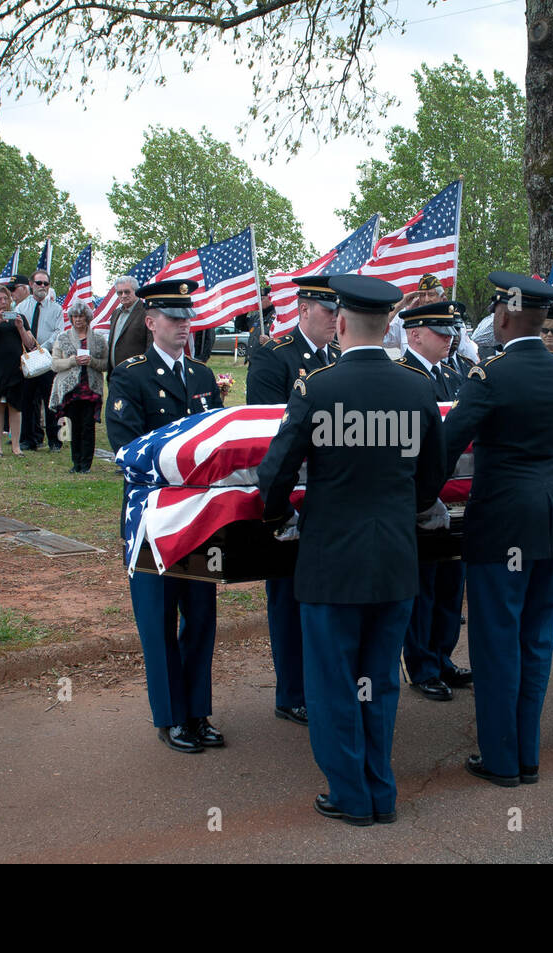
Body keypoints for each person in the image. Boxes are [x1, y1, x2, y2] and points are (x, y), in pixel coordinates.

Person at [258, 274, 445, 826]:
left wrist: (281, 517)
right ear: (390, 325)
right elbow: (431, 479)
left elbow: (276, 474)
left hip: (330, 559)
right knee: (381, 678)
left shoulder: (316, 387)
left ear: (339, 325)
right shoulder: (417, 390)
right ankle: (379, 790)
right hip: (393, 557)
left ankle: (349, 794)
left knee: (333, 678)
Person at [441, 271, 553, 787]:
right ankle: (527, 754)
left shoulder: (490, 375)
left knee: (497, 640)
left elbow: (447, 445)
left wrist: (418, 501)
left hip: (502, 524)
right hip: (551, 520)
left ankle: (502, 760)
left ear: (502, 315)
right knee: (536, 638)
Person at [107, 279, 224, 755]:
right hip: (154, 517)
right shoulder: (130, 376)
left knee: (201, 617)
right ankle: (171, 716)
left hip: (199, 516)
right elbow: (125, 447)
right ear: (150, 322)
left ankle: (198, 710)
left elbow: (217, 441)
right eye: (173, 318)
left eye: (187, 317)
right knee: (158, 619)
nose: (183, 325)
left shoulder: (200, 376)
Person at [245, 274, 342, 727]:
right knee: (288, 594)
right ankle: (293, 692)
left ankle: (323, 683)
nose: (334, 319)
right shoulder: (275, 357)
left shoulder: (338, 358)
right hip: (292, 494)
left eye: (338, 311)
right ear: (303, 311)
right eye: (327, 311)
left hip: (331, 493)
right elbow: (268, 433)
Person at [396, 300, 471, 701]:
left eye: (451, 332)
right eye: (441, 333)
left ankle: (442, 655)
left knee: (449, 582)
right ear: (415, 334)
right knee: (422, 585)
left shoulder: (455, 376)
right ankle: (422, 664)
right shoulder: (403, 377)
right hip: (416, 498)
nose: (450, 339)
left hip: (453, 495)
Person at [49, 299, 109, 473]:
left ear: (87, 318)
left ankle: (86, 465)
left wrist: (92, 362)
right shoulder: (63, 338)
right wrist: (72, 361)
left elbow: (105, 364)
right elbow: (54, 364)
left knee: (88, 428)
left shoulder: (98, 339)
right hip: (70, 391)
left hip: (91, 390)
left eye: (81, 316)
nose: (78, 320)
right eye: (74, 316)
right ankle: (76, 463)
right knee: (72, 427)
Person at [0, 285, 34, 457]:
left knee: (15, 407)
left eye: (6, 299)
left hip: (16, 369)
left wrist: (20, 327)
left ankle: (16, 446)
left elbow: (30, 344)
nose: (3, 302)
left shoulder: (20, 317)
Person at [14, 270, 64, 452]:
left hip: (47, 359)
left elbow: (59, 332)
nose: (42, 287)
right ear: (31, 284)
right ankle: (30, 439)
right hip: (28, 360)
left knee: (51, 401)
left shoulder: (56, 309)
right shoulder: (20, 308)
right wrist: (30, 347)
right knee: (27, 401)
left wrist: (41, 346)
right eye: (39, 283)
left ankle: (55, 440)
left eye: (46, 284)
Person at [105, 275, 149, 373]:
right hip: (114, 374)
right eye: (120, 293)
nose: (123, 295)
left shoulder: (147, 312)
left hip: (136, 375)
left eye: (127, 291)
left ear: (136, 291)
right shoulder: (115, 313)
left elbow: (150, 346)